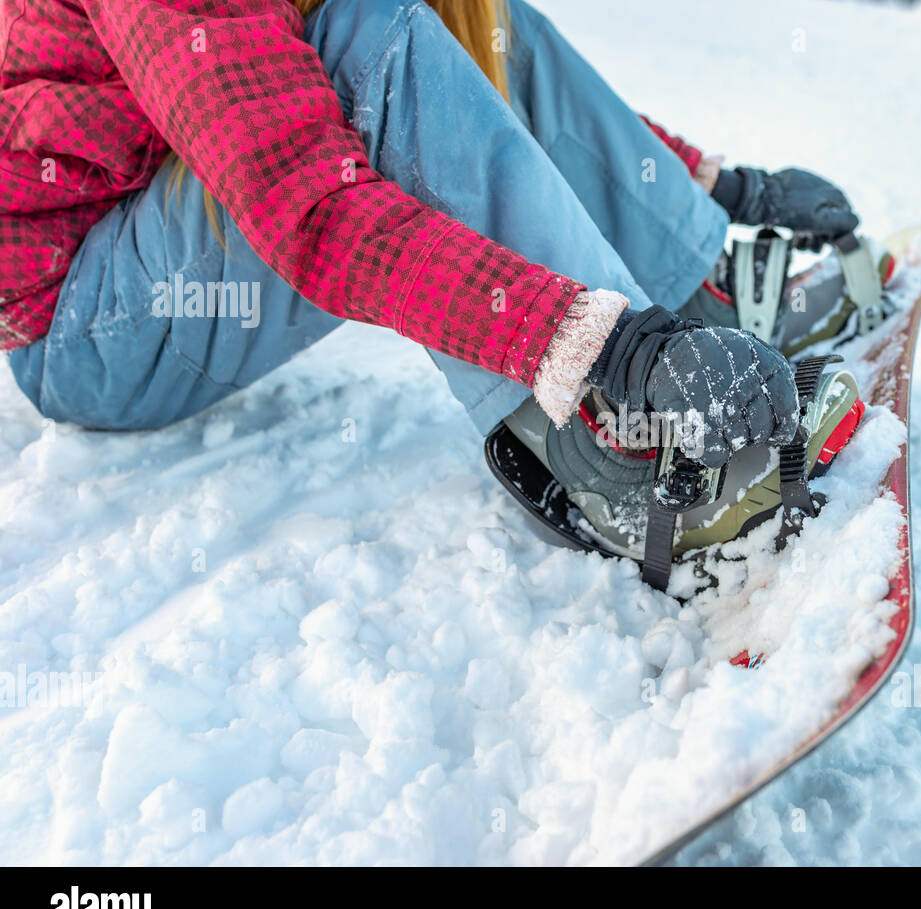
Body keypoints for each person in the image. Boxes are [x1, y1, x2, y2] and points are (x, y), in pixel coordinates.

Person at [1, 0, 869, 558]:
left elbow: (472, 67)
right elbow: (310, 208)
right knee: (362, 43)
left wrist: (716, 187)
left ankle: (690, 291)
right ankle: (603, 438)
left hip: (161, 216)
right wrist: (603, 347)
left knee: (466, 13)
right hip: (87, 327)